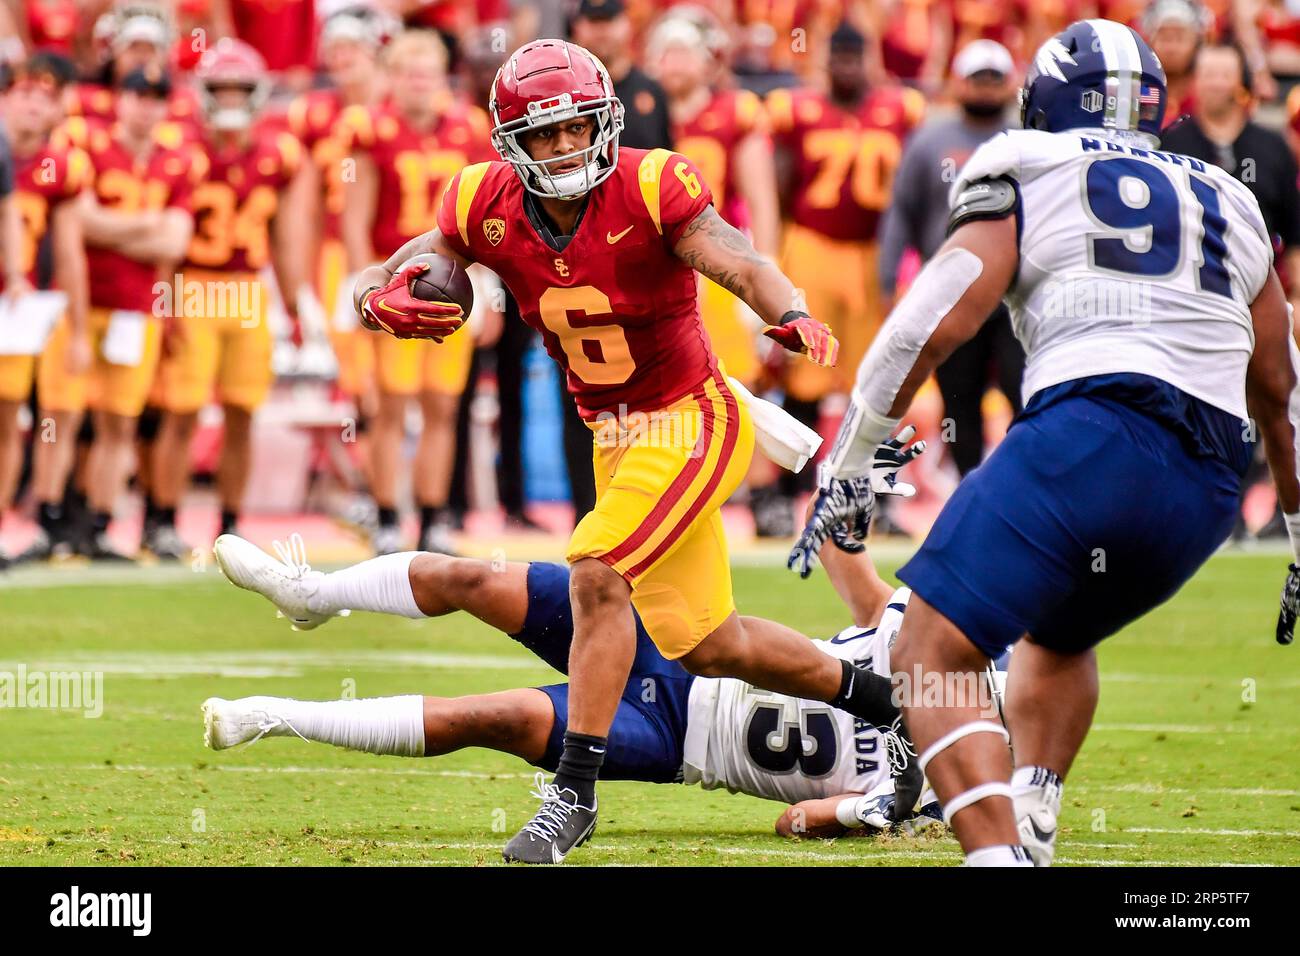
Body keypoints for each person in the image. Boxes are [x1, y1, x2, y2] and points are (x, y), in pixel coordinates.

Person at [349, 38, 918, 864]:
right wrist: (376, 299)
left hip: (691, 416)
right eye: (542, 136)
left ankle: (571, 795)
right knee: (707, 642)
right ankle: (891, 707)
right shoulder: (480, 199)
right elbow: (412, 261)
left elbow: (736, 255)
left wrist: (783, 308)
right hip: (613, 438)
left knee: (595, 573)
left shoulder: (654, 182)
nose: (563, 146)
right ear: (511, 142)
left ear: (603, 122)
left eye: (576, 127)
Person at [792, 18, 1298, 868]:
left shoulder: (1025, 160)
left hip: (1093, 428)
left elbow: (933, 319)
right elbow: (1281, 392)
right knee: (1061, 635)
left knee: (927, 648)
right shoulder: (1230, 196)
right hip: (1207, 486)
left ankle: (996, 860)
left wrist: (849, 464)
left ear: (1045, 99)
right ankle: (1030, 815)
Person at [206, 433, 958, 841]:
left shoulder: (943, 776)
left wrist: (867, 813)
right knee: (475, 580)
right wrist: (853, 487)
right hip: (679, 637)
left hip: (671, 739)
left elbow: (790, 819)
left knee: (494, 717)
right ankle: (311, 595)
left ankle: (275, 716)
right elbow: (840, 555)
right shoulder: (918, 639)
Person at [149, 39, 312, 553]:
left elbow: (286, 237)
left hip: (245, 288)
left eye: (241, 89)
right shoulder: (181, 145)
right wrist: (163, 300)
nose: (232, 98)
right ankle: (163, 520)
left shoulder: (277, 153)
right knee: (182, 412)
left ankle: (229, 523)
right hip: (194, 284)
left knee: (243, 412)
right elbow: (165, 234)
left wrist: (293, 304)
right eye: (222, 88)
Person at [338, 29, 494, 556]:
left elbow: (485, 212)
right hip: (399, 281)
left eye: (428, 74)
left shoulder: (467, 130)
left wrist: (489, 283)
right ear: (392, 77)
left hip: (453, 282)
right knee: (391, 407)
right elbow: (355, 220)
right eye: (409, 73)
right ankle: (386, 517)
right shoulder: (371, 130)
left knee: (444, 409)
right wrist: (370, 284)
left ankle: (432, 520)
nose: (419, 85)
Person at [33, 67, 196, 562]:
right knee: (59, 416)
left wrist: (112, 228)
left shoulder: (176, 161)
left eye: (155, 98)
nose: (144, 106)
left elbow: (176, 240)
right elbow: (77, 222)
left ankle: (99, 524)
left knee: (119, 422)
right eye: (136, 95)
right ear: (119, 100)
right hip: (78, 301)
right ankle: (50, 521)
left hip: (137, 309)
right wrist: (146, 225)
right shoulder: (86, 144)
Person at [767, 23, 924, 524]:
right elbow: (780, 185)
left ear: (870, 59)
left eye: (856, 58)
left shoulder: (901, 110)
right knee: (804, 380)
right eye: (840, 57)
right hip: (813, 248)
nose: (847, 67)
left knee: (876, 385)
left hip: (873, 256)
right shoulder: (799, 110)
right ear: (826, 60)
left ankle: (871, 496)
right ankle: (782, 497)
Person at [877, 39, 1023, 477]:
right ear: (958, 83)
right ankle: (969, 486)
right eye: (977, 78)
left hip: (1015, 293)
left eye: (993, 79)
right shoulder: (929, 140)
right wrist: (887, 280)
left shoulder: (1027, 140)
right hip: (950, 293)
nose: (985, 88)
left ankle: (1022, 483)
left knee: (1026, 389)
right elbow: (902, 209)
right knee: (959, 396)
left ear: (1009, 84)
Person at [1, 54, 91, 565]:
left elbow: (72, 250)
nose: (33, 103)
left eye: (44, 95)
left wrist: (77, 328)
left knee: (11, 416)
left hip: (24, 307)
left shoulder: (62, 167)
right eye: (23, 92)